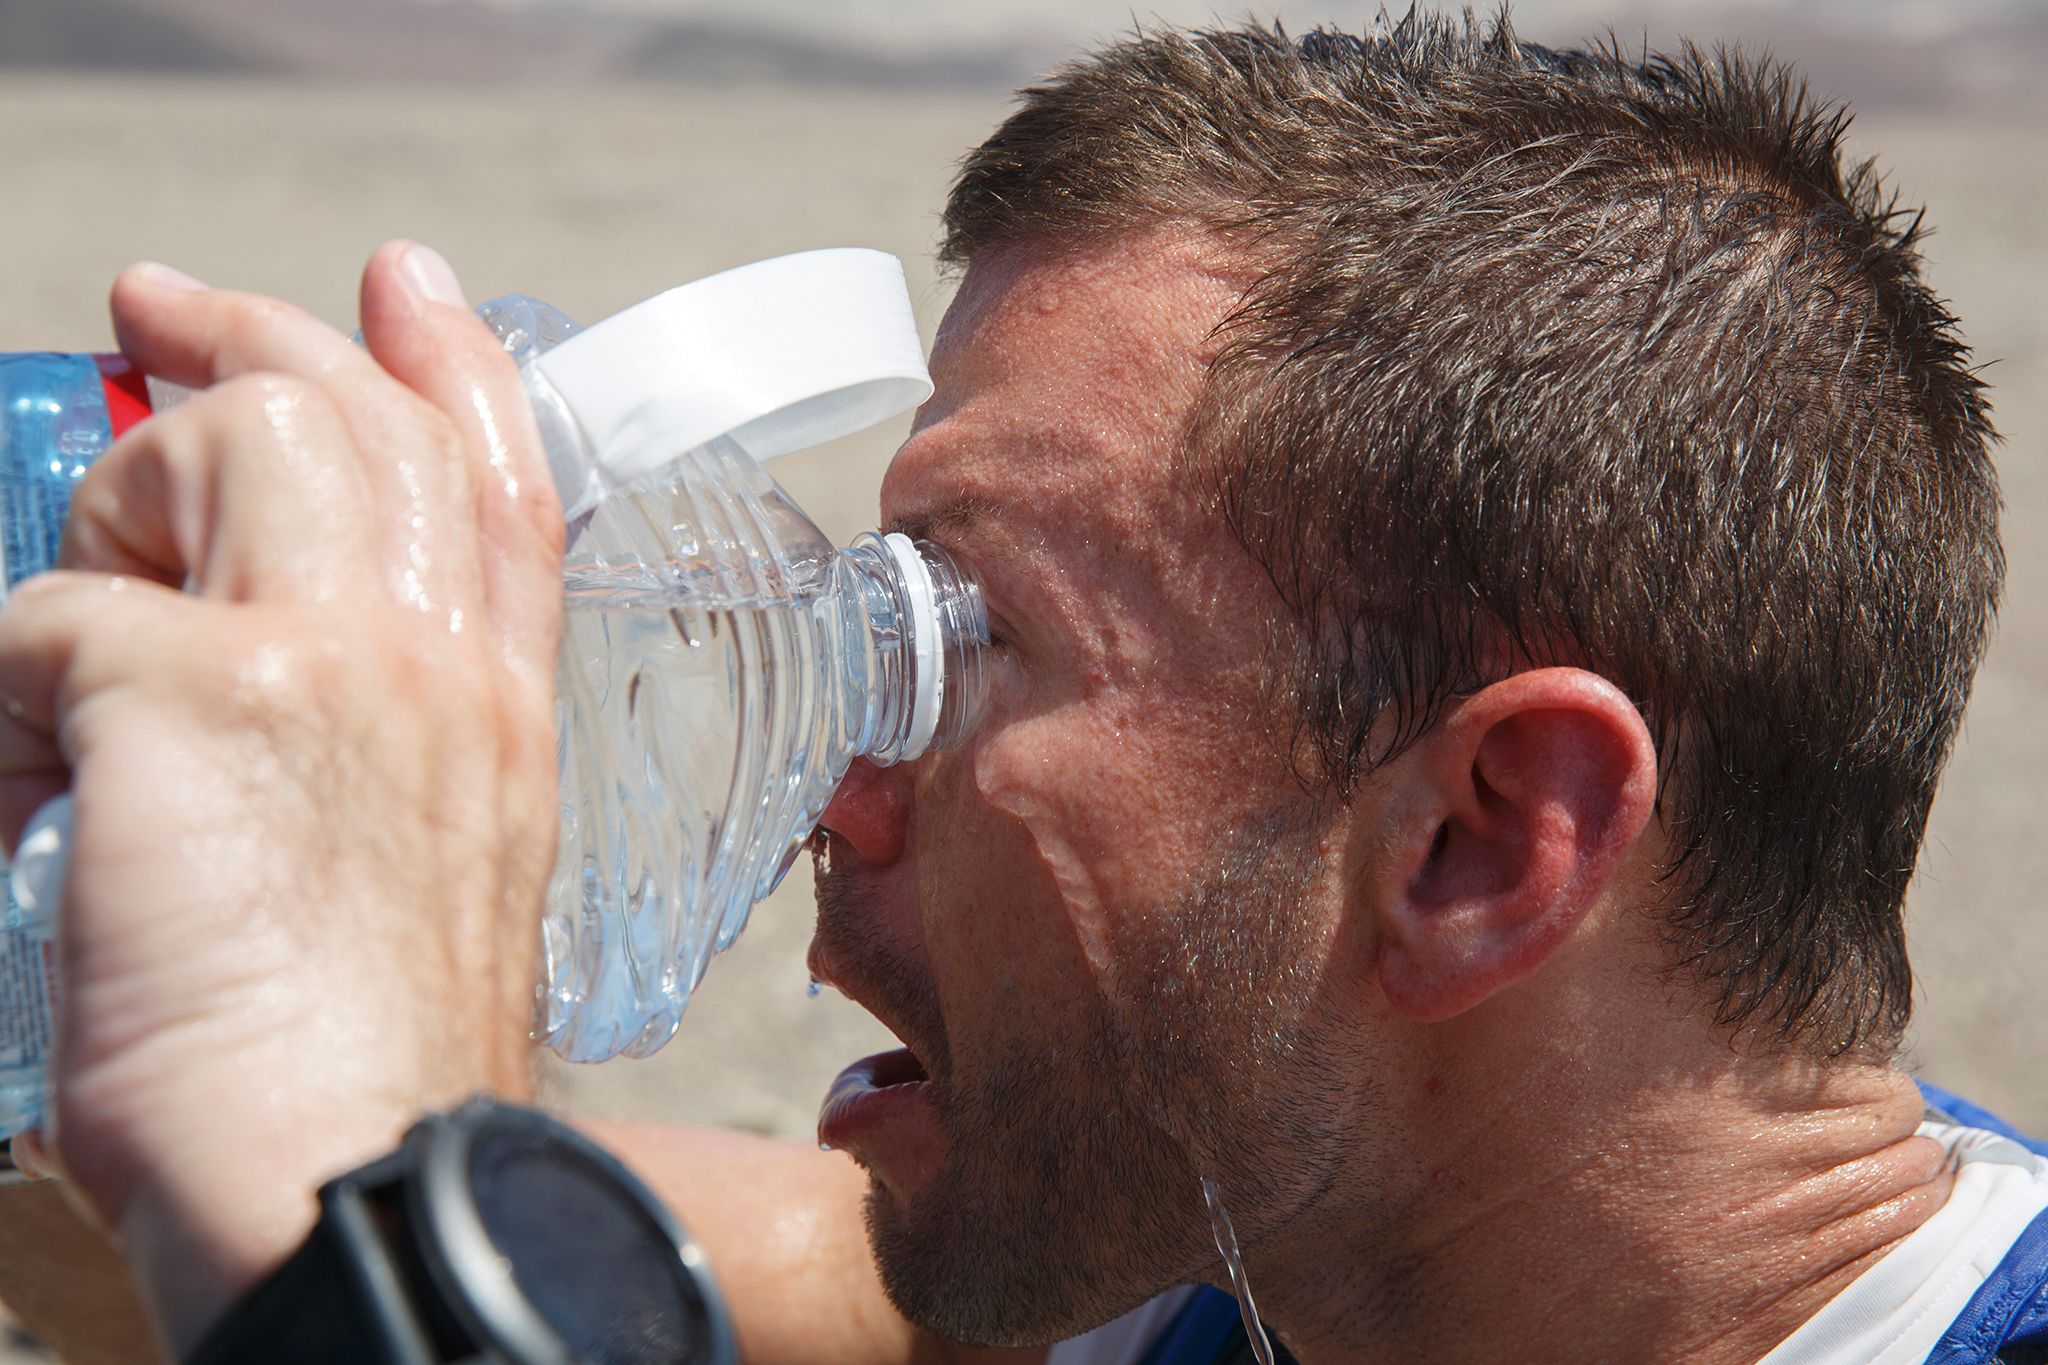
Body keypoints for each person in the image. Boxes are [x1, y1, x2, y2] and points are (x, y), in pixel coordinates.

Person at [1, 12, 2043, 1364]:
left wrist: (355, 1180)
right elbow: (173, 1230)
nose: (830, 791)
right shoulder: (1227, 1252)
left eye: (956, 644)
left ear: (1477, 838)